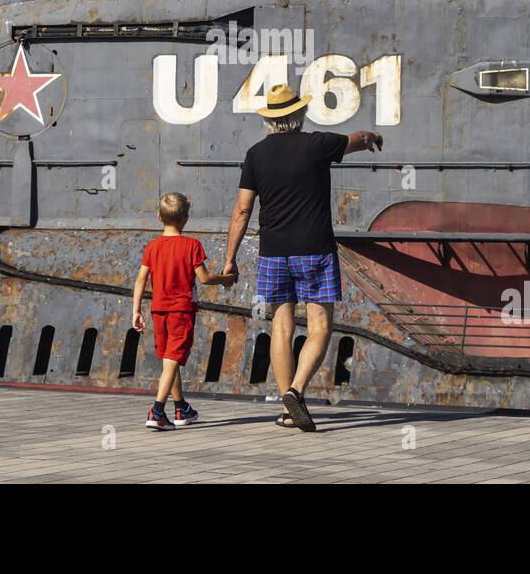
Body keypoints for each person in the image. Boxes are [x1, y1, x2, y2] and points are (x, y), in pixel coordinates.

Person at [222, 83, 383, 431]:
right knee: (320, 327)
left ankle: (285, 407)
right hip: (315, 250)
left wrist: (230, 258)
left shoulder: (255, 155)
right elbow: (355, 139)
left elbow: (242, 210)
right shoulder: (318, 144)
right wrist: (371, 136)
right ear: (299, 115)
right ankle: (295, 390)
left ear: (268, 120)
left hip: (273, 253)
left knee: (281, 325)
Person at [132, 192, 236, 430]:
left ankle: (181, 408)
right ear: (186, 219)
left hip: (158, 310)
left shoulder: (152, 247)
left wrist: (136, 311)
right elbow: (205, 277)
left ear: (159, 217)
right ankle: (157, 411)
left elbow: (140, 280)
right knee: (172, 361)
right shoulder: (192, 246)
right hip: (181, 310)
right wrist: (225, 278)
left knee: (170, 360)